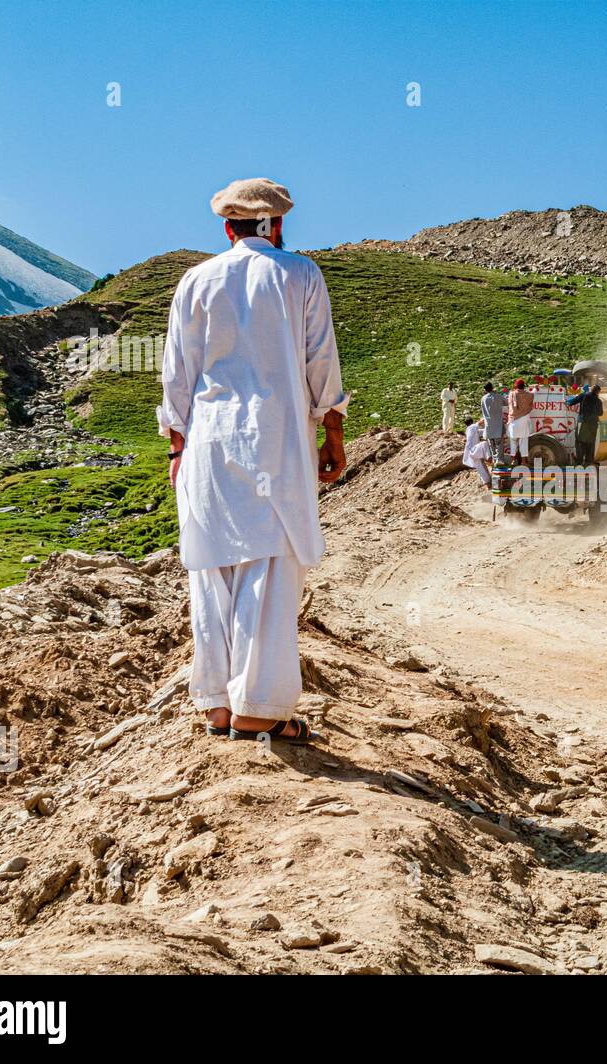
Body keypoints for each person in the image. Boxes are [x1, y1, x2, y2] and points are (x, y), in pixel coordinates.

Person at [158, 177, 347, 746]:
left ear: (227, 227)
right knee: (269, 563)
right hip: (276, 441)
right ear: (279, 224)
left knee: (214, 564)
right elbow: (321, 364)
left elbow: (177, 374)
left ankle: (217, 702)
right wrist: (333, 432)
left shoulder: (196, 281)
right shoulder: (300, 276)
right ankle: (259, 709)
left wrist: (176, 448)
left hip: (208, 444)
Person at [566, 381, 604, 465]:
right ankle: (588, 462)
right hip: (593, 425)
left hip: (583, 423)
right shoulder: (599, 401)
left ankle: (579, 462)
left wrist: (565, 401)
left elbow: (571, 402)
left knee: (580, 442)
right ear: (598, 392)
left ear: (591, 389)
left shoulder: (583, 396)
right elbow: (601, 413)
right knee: (590, 444)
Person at [506, 378, 534, 465]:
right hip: (524, 421)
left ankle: (513, 460)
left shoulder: (512, 394)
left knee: (513, 442)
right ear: (523, 386)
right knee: (523, 442)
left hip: (513, 421)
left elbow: (509, 402)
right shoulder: (529, 395)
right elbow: (533, 394)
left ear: (516, 386)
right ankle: (523, 461)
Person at [462, 417, 491, 488]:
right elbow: (481, 422)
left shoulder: (471, 430)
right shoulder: (471, 427)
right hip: (473, 451)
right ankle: (489, 458)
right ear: (472, 422)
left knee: (481, 467)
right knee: (484, 444)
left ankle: (487, 483)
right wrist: (486, 417)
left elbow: (483, 431)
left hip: (472, 452)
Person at [480, 381, 505, 462]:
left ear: (485, 389)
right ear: (492, 388)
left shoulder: (483, 398)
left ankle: (494, 460)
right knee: (499, 444)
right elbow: (507, 402)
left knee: (491, 445)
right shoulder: (498, 396)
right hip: (498, 425)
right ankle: (499, 460)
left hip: (488, 425)